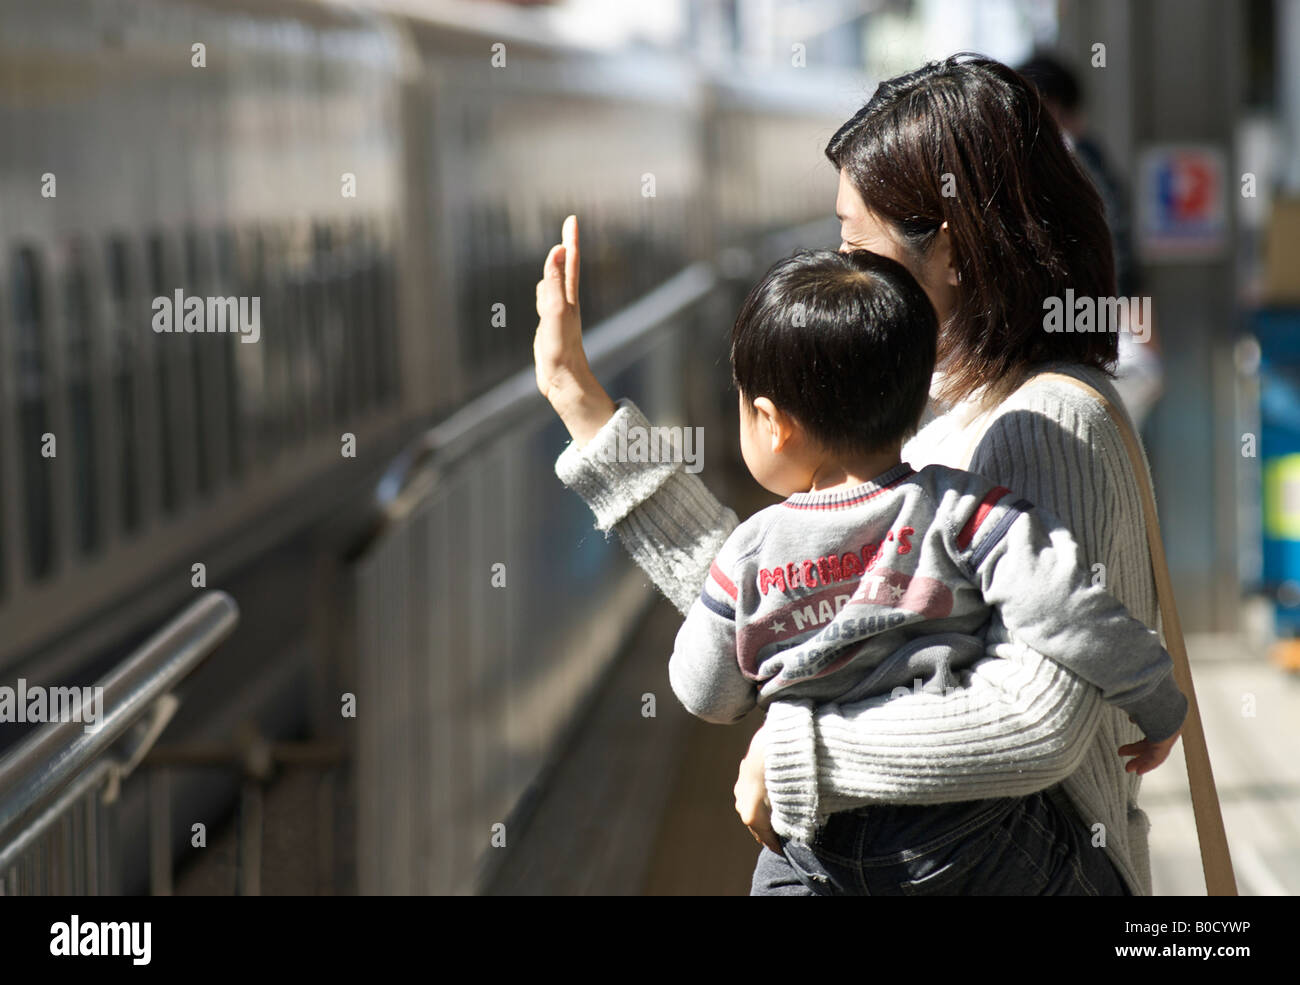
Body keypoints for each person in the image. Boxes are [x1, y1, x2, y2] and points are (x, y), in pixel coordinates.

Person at [533, 54, 1175, 896]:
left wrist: (801, 755)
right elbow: (795, 590)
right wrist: (587, 411)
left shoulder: (1043, 423)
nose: (841, 262)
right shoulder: (956, 415)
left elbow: (1035, 719)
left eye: (853, 238)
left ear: (945, 249)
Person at [660, 247, 1186, 895]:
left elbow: (704, 690)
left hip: (812, 842)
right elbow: (1074, 613)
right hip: (963, 832)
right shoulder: (965, 513)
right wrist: (1158, 706)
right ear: (916, 405)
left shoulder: (747, 553)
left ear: (771, 423)